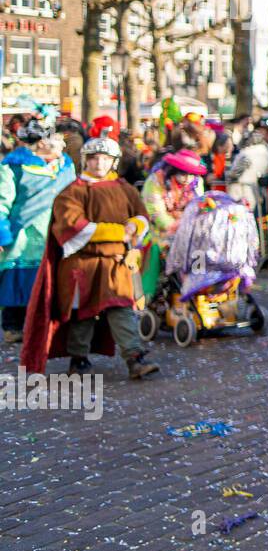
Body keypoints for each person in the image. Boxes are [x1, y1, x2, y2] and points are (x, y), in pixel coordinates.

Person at [20, 136, 159, 379]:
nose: (99, 164)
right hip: (82, 265)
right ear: (86, 161)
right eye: (94, 158)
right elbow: (72, 226)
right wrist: (118, 231)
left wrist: (136, 226)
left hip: (115, 264)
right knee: (82, 314)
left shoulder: (124, 188)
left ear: (113, 161)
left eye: (105, 159)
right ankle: (79, 358)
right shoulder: (73, 191)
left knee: (121, 309)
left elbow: (141, 215)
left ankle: (135, 358)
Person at [0, 121, 75, 342]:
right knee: (18, 281)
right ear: (42, 142)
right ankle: (13, 326)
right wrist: (2, 233)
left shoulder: (65, 166)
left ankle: (43, 324)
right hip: (23, 236)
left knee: (50, 281)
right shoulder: (12, 167)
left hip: (55, 233)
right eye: (58, 138)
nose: (63, 143)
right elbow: (2, 203)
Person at [141, 145, 208, 300]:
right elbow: (157, 215)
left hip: (189, 232)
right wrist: (181, 226)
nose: (188, 178)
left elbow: (199, 208)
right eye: (184, 173)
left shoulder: (196, 183)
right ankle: (148, 296)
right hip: (157, 232)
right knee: (156, 250)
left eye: (192, 174)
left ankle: (199, 288)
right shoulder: (155, 181)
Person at [225, 115, 268, 209]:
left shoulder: (253, 152)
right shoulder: (266, 152)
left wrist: (229, 177)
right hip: (250, 194)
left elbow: (235, 173)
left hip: (244, 194)